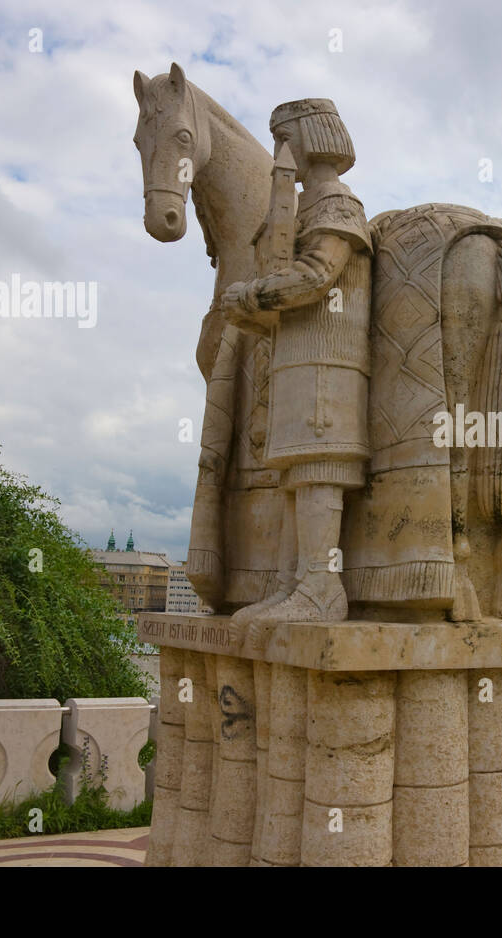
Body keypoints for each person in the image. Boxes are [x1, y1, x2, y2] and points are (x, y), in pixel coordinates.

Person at [219, 99, 372, 624]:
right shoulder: (302, 207)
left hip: (328, 357)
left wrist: (252, 295)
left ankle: (322, 586)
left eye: (285, 137)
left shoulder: (339, 206)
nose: (280, 151)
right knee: (295, 471)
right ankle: (294, 583)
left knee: (320, 465)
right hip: (295, 355)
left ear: (312, 138)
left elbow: (316, 276)